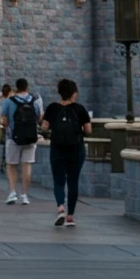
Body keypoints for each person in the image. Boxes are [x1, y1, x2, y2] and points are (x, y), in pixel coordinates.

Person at [41, 79, 93, 227]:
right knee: (73, 181)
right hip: (76, 149)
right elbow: (88, 130)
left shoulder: (52, 108)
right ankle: (70, 216)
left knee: (58, 181)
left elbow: (44, 127)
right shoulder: (80, 109)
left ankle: (60, 208)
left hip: (57, 149)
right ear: (74, 94)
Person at [0, 78, 41, 205]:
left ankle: (12, 192)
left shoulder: (8, 101)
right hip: (30, 138)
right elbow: (39, 118)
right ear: (27, 87)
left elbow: (3, 120)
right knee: (27, 165)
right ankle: (25, 195)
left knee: (11, 165)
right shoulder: (35, 100)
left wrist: (7, 127)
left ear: (15, 88)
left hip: (13, 138)